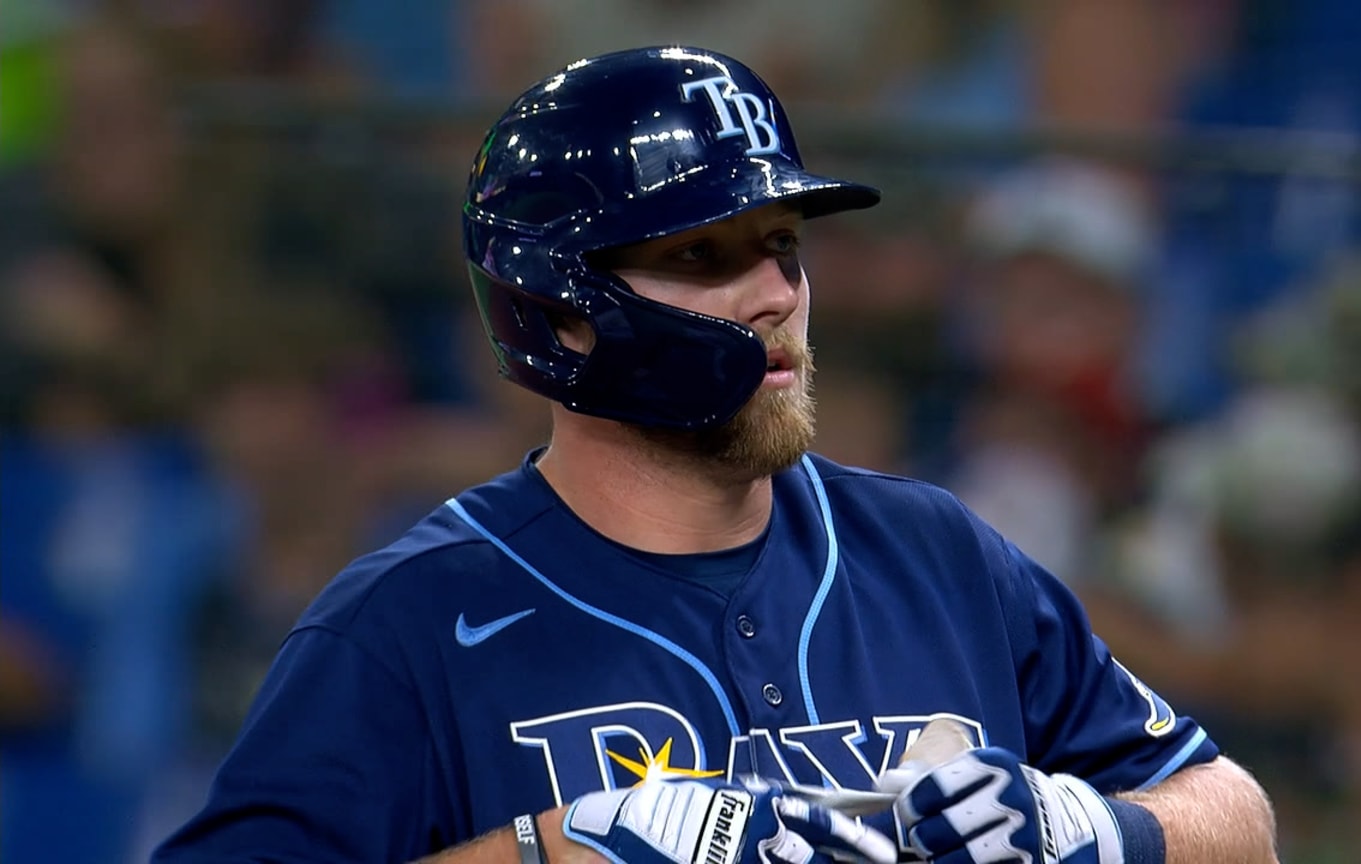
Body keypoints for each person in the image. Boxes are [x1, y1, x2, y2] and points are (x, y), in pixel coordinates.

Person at [154, 46, 1279, 864]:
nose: (775, 294)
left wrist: (1095, 828)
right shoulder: (411, 622)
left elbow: (1236, 814)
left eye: (781, 246)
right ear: (560, 309)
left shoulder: (934, 553)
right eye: (703, 255)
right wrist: (552, 853)